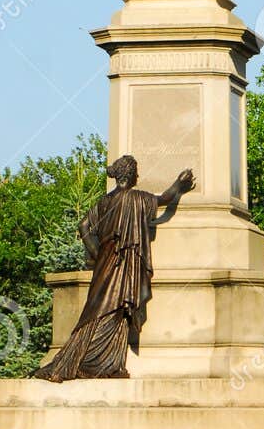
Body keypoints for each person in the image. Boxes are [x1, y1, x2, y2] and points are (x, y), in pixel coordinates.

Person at [33, 155, 194, 381]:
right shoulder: (137, 198)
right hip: (124, 263)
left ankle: (83, 357)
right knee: (114, 309)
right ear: (129, 175)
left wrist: (98, 253)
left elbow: (83, 226)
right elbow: (164, 199)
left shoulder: (104, 202)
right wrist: (180, 184)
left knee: (98, 308)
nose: (138, 177)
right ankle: (95, 363)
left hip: (105, 262)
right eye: (136, 173)